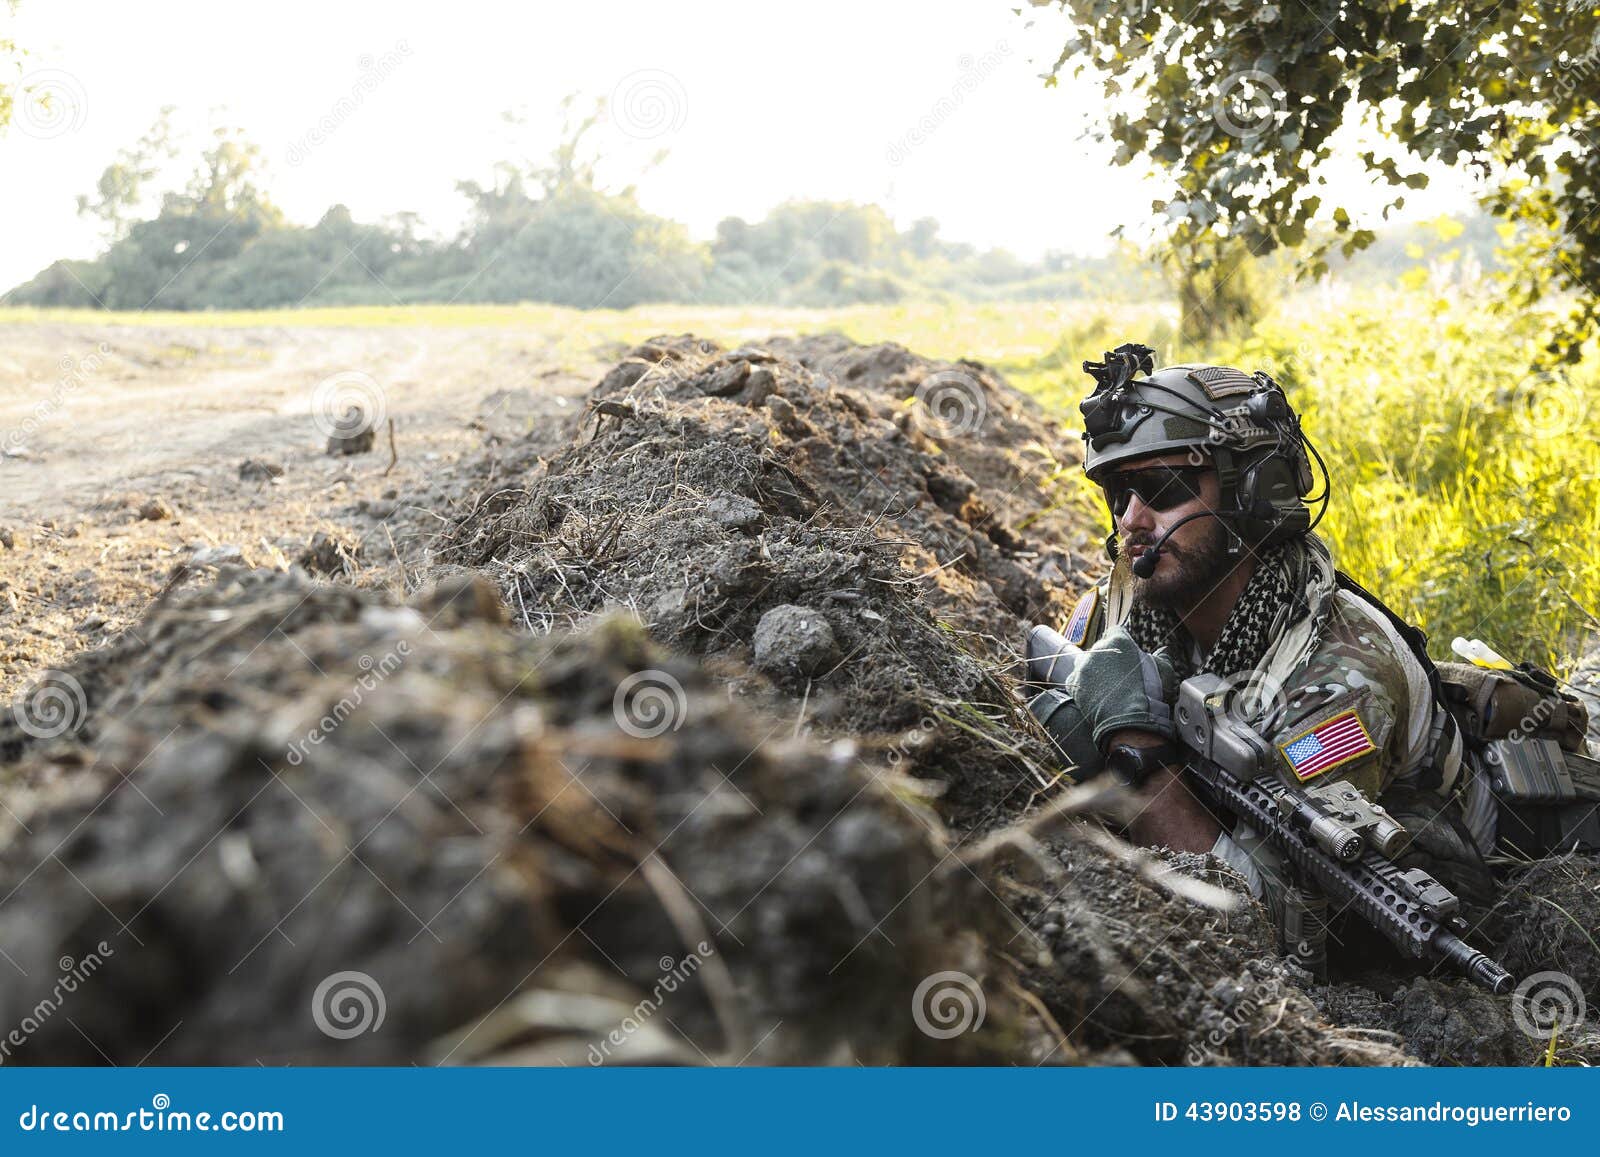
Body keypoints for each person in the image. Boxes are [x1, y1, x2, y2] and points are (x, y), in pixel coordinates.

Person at [1028, 344, 1498, 965]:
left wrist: (1137, 762)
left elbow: (1268, 929)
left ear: (1251, 493)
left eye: (1162, 487)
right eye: (1118, 493)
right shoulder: (1123, 600)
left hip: (1403, 903)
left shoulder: (1338, 678)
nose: (1132, 520)